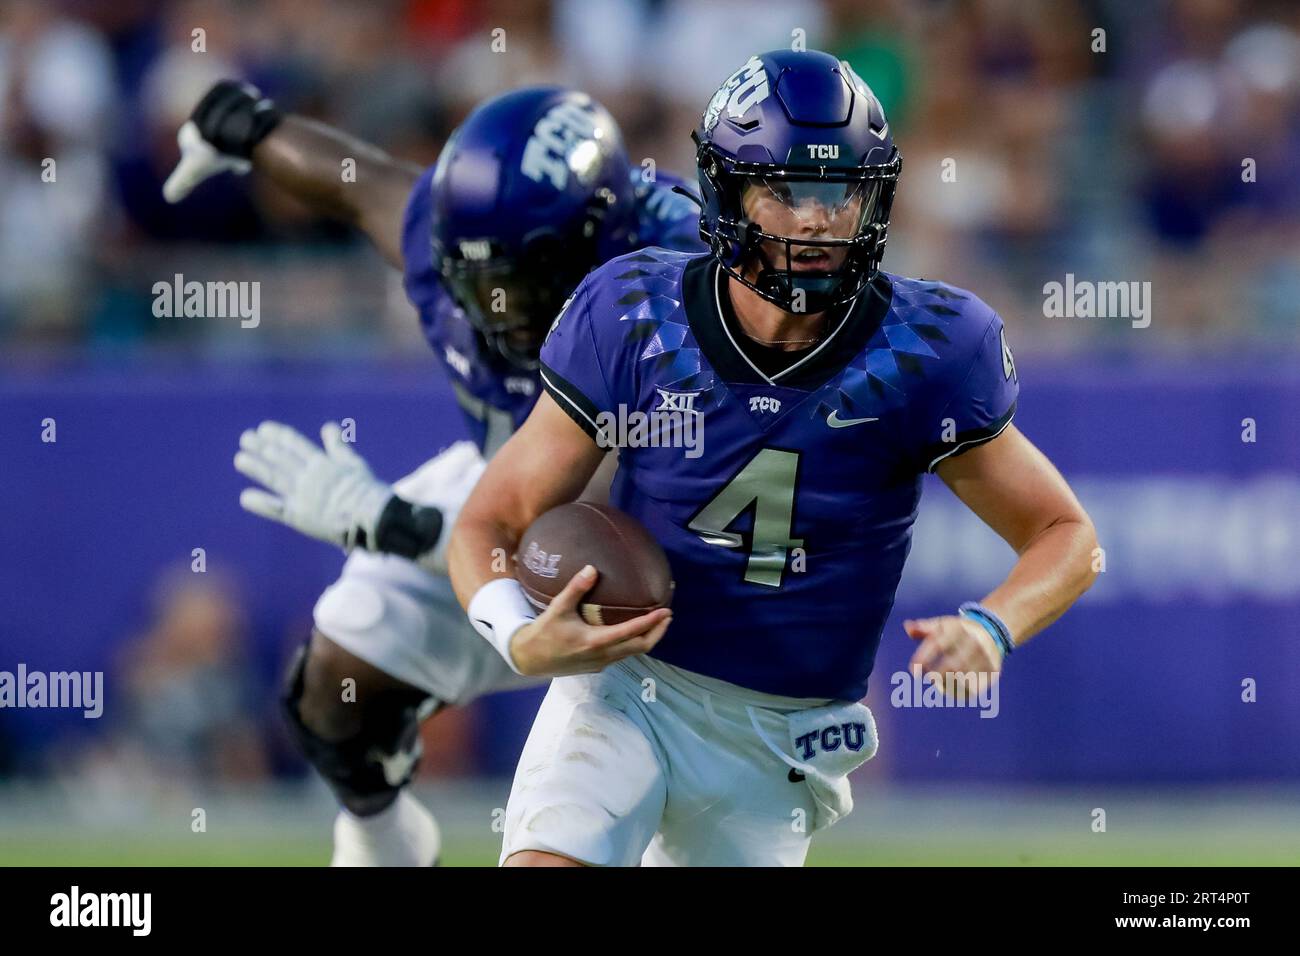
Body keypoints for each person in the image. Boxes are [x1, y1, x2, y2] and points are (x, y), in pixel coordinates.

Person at [447, 49, 1099, 867]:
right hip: (628, 692)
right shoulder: (633, 313)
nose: (818, 218)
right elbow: (491, 519)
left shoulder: (930, 349)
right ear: (728, 191)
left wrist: (994, 627)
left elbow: (1066, 534)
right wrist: (517, 636)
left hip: (781, 742)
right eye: (787, 189)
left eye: (839, 191)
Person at [164, 81, 702, 865]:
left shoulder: (678, 289)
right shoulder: (464, 240)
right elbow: (361, 184)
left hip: (670, 541)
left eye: (521, 274)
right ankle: (386, 841)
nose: (495, 303)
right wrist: (248, 125)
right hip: (514, 480)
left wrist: (397, 525)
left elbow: (585, 527)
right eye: (476, 276)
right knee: (336, 673)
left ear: (599, 241)